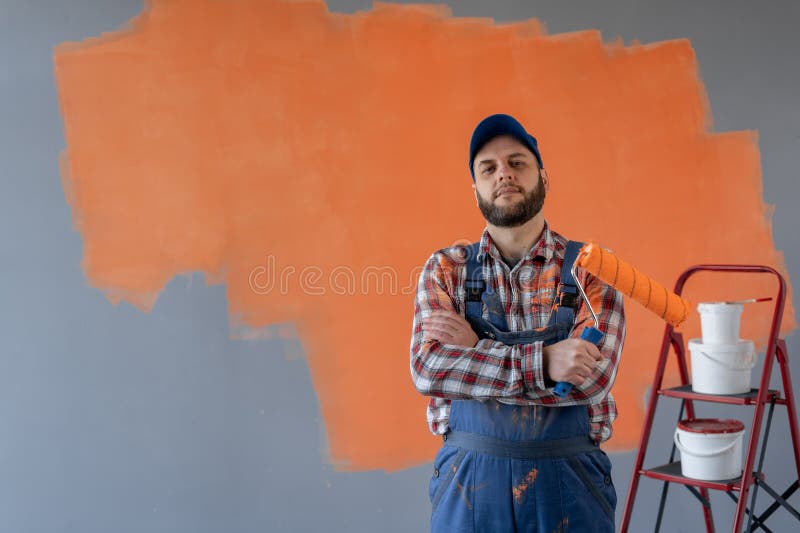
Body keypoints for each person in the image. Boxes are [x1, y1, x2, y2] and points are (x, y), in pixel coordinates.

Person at [409, 114, 626, 532]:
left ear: (543, 175)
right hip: (469, 483)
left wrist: (475, 350)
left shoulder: (593, 269)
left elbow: (592, 380)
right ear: (475, 189)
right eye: (488, 168)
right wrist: (544, 363)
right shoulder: (445, 270)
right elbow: (429, 369)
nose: (503, 173)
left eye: (517, 162)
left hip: (571, 480)